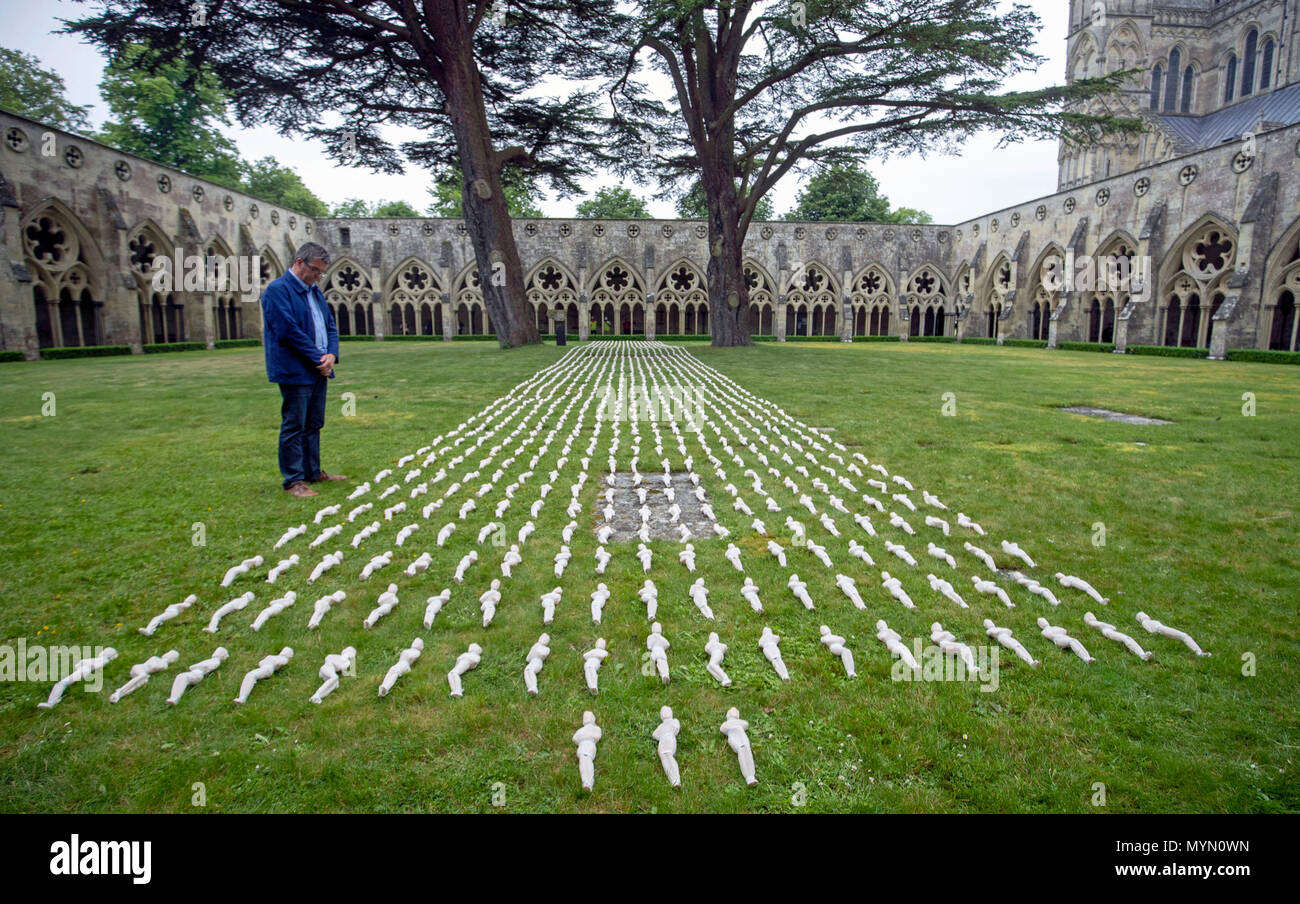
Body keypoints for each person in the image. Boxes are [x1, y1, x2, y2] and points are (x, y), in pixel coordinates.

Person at [261, 242, 347, 497]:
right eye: (315, 270)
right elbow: (288, 332)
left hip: (319, 367)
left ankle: (312, 471)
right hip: (295, 369)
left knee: (314, 423)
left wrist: (332, 354)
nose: (318, 277)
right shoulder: (277, 291)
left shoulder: (315, 292)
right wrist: (319, 358)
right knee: (294, 424)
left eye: (321, 273)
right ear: (299, 262)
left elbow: (330, 325)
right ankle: (293, 481)